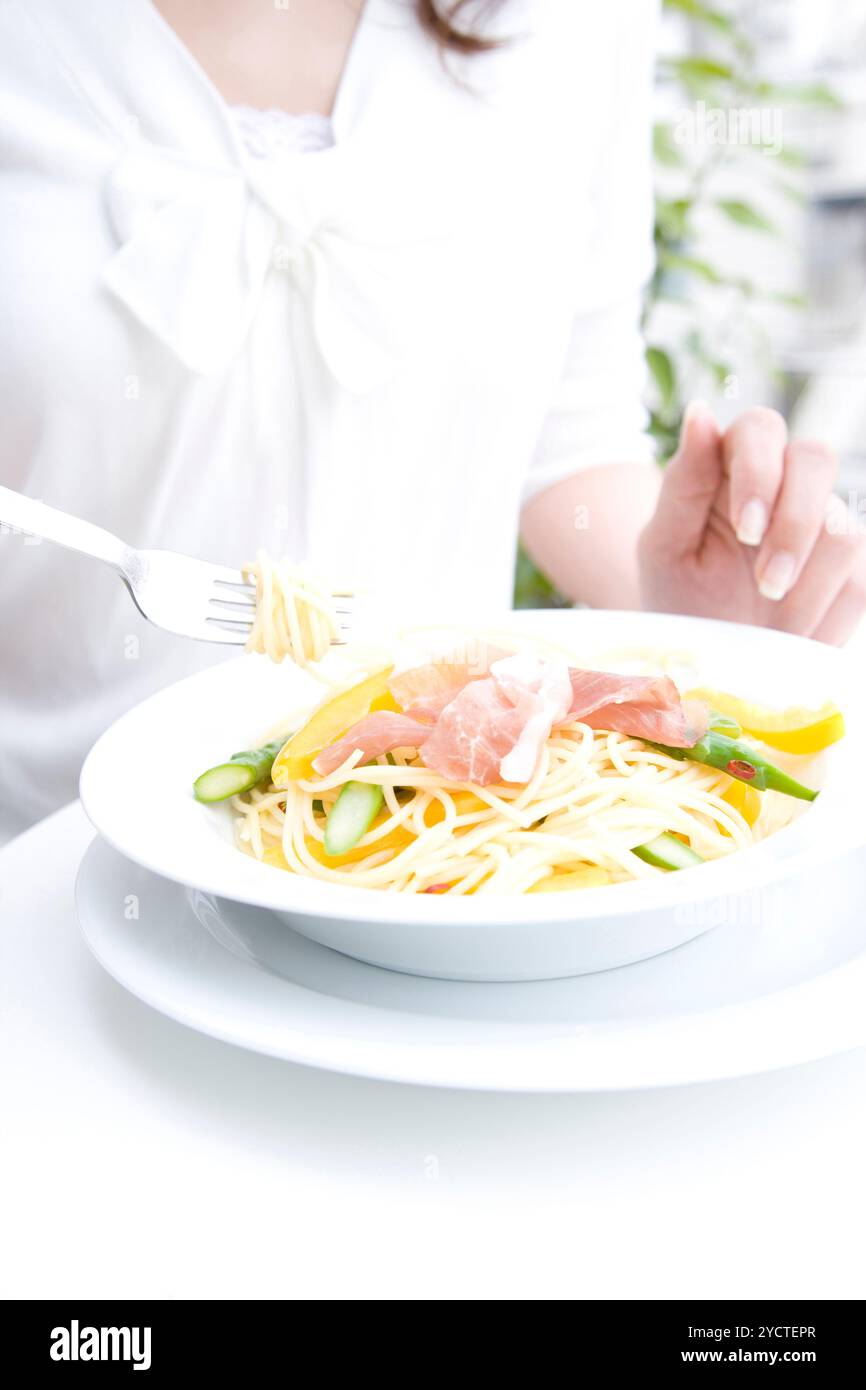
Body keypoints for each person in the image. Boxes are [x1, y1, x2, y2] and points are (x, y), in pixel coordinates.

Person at [0, 0, 862, 842]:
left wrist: (682, 609)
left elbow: (571, 444)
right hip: (40, 866)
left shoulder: (572, 19)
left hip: (449, 864)